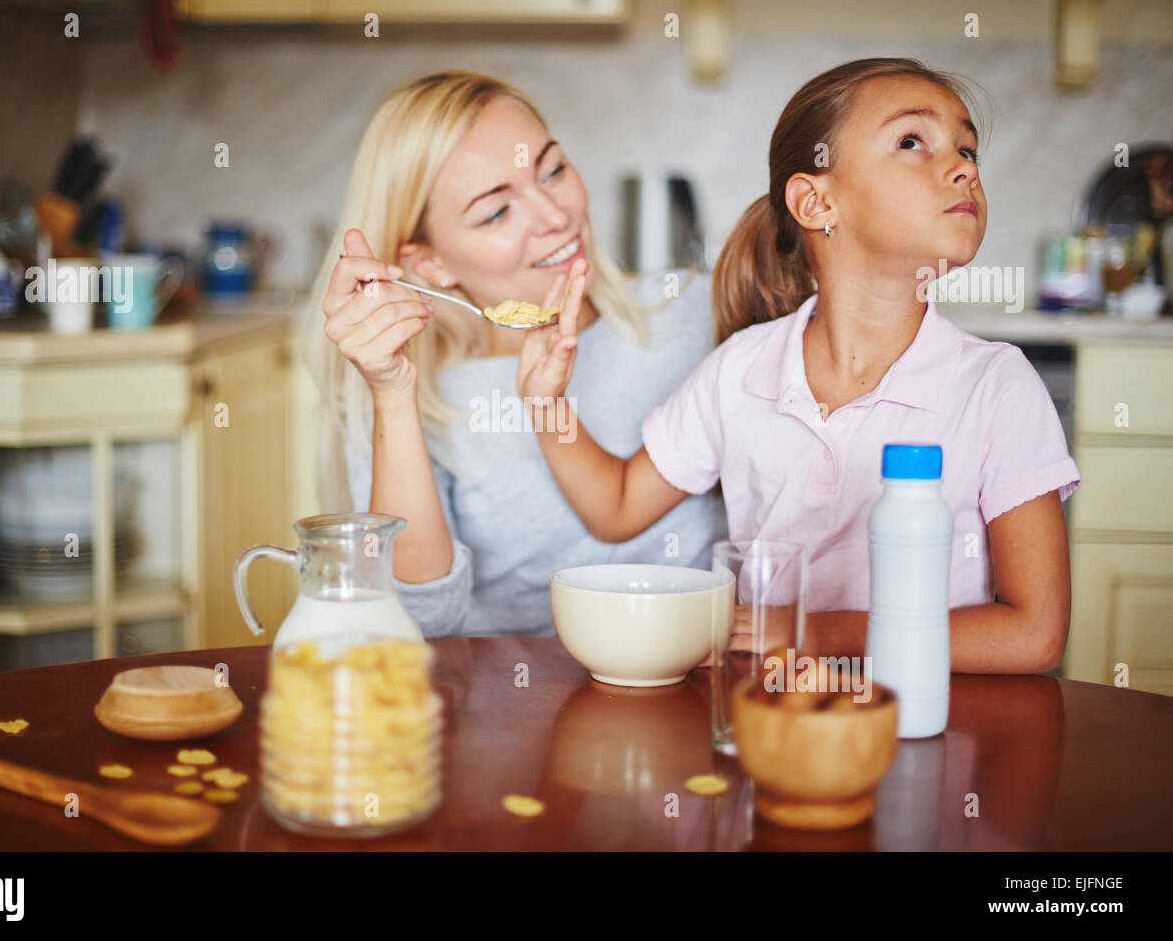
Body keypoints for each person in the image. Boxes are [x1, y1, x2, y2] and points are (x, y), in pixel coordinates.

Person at [519, 58, 1080, 673]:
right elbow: (618, 508)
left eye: (969, 150)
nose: (964, 168)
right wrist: (545, 403)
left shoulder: (998, 386)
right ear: (815, 202)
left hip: (934, 732)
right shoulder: (739, 372)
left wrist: (819, 632)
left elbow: (1034, 634)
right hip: (770, 720)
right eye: (912, 141)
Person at [302, 71, 727, 637]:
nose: (555, 217)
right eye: (497, 213)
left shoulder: (695, 310)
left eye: (552, 170)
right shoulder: (415, 400)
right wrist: (392, 393)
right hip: (525, 714)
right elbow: (421, 622)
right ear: (430, 265)